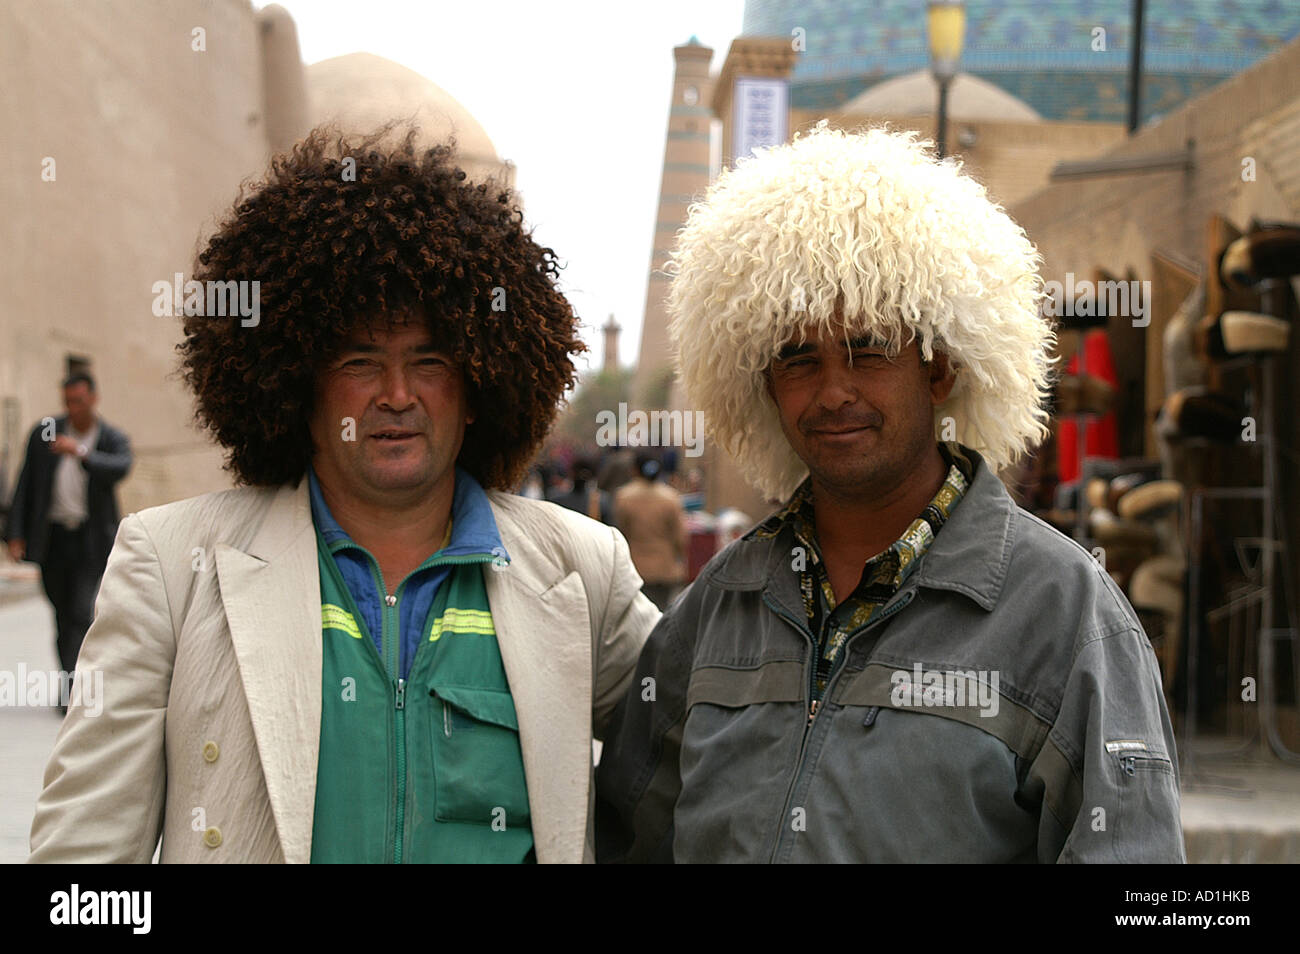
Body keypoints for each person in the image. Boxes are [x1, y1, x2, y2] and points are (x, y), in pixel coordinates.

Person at [28, 124, 659, 863]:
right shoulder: (170, 569)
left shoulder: (581, 572)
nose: (397, 395)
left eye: (429, 360)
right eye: (361, 360)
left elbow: (714, 771)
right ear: (297, 383)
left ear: (481, 383)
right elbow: (83, 860)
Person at [595, 125, 1185, 863]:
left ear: (939, 368)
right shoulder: (724, 603)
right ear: (765, 386)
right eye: (798, 359)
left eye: (868, 350)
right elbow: (627, 831)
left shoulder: (1065, 615)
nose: (833, 391)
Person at [4, 373, 131, 693]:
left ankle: (78, 689)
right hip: (53, 540)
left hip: (90, 540)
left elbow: (121, 467)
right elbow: (25, 484)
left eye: (79, 401)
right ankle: (69, 683)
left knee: (79, 612)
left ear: (93, 399)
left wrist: (82, 453)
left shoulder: (109, 437)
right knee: (62, 614)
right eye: (68, 401)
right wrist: (15, 533)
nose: (73, 408)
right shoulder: (45, 432)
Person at [613, 453, 687, 610]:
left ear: (634, 470)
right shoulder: (671, 498)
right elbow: (680, 537)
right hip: (665, 568)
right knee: (660, 615)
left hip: (635, 567)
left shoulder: (624, 497)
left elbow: (620, 532)